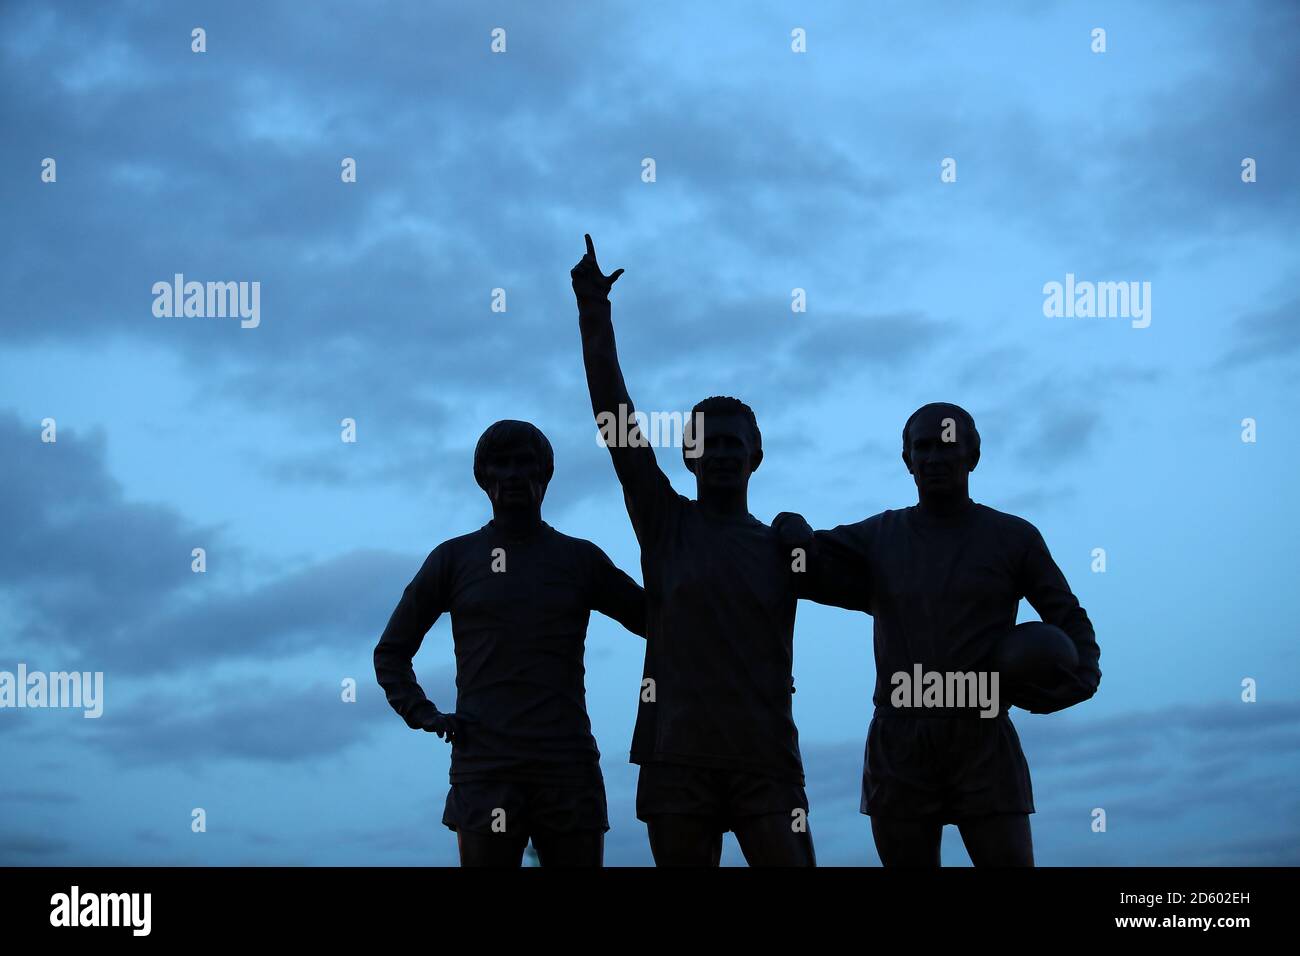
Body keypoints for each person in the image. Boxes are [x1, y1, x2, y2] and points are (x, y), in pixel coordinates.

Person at [571, 234, 815, 866]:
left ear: (756, 456)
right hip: (676, 757)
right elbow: (615, 421)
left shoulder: (784, 547)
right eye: (711, 442)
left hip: (767, 761)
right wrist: (594, 313)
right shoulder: (666, 523)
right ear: (688, 455)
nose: (725, 452)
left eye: (737, 443)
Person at [778, 402, 1100, 866]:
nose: (934, 457)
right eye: (922, 447)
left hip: (983, 735)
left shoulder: (1013, 538)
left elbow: (1068, 616)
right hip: (901, 739)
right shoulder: (880, 537)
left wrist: (1077, 680)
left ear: (973, 455)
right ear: (907, 459)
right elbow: (803, 567)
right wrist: (790, 527)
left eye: (946, 444)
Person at [373, 419, 646, 867]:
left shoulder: (580, 560)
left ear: (545, 474)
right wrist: (421, 712)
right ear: (484, 477)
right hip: (486, 769)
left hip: (566, 768)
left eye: (525, 463)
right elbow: (391, 652)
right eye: (501, 464)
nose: (514, 475)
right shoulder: (454, 559)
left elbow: (658, 622)